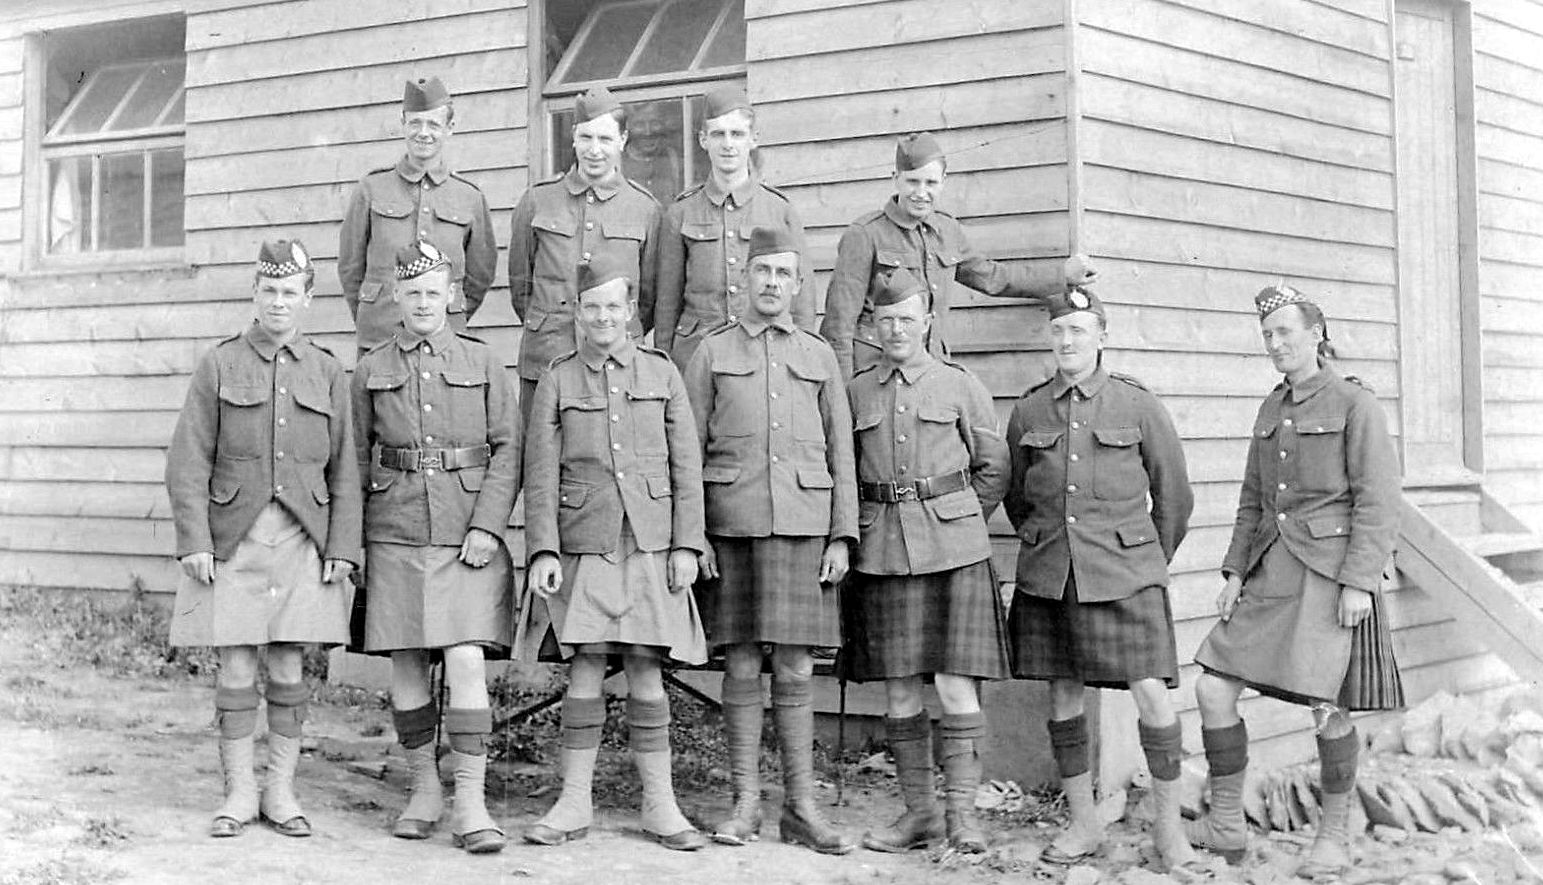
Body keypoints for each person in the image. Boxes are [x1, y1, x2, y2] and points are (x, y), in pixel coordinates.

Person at [1188, 285, 1403, 878]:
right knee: (1212, 690)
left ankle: (1332, 836)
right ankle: (1226, 823)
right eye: (1268, 335)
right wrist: (1233, 570)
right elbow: (1252, 501)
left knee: (1326, 705)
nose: (1276, 344)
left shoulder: (1355, 404)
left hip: (1330, 577)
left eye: (1286, 332)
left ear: (1316, 333)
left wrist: (1360, 581)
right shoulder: (1270, 407)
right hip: (1269, 572)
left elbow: (1379, 500)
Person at [166, 239, 360, 839]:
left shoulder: (327, 370)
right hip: (234, 539)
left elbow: (345, 470)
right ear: (255, 293)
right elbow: (188, 460)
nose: (279, 303)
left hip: (301, 538)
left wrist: (341, 549)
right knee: (235, 661)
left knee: (287, 661)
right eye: (269, 290)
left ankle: (280, 789)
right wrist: (196, 538)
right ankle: (240, 790)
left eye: (290, 292)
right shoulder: (220, 364)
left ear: (308, 298)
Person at [1003, 289, 1198, 872]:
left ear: (1101, 337)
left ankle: (1169, 834)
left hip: (1125, 575)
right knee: (1062, 692)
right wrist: (1049, 548)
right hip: (1052, 576)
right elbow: (1018, 499)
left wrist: (1140, 559)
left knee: (1151, 694)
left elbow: (1174, 498)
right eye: (1059, 330)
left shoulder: (1137, 404)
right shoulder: (1030, 410)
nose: (1068, 341)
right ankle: (1084, 823)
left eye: (1079, 330)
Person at [519, 255, 709, 852]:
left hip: (650, 542)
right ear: (577, 312)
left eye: (614, 307)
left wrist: (686, 543)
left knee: (648, 667)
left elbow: (687, 466)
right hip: (585, 540)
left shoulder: (663, 372)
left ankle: (661, 805)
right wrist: (543, 548)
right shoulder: (558, 378)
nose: (603, 317)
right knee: (585, 666)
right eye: (591, 306)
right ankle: (574, 801)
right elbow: (541, 474)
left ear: (631, 313)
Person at [683, 225, 858, 855]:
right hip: (731, 524)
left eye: (784, 274)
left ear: (797, 283)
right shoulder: (710, 351)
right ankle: (744, 801)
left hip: (804, 526)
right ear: (744, 278)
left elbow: (843, 449)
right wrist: (693, 533)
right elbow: (688, 449)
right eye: (762, 273)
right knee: (739, 660)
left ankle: (802, 808)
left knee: (795, 663)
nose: (772, 284)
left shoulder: (818, 355)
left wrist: (842, 535)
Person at [351, 239, 521, 854]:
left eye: (434, 291)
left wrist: (487, 526)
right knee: (406, 661)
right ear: (397, 296)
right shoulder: (371, 368)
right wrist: (355, 545)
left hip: (466, 532)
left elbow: (509, 449)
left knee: (467, 657)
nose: (424, 302)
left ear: (453, 296)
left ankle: (471, 799)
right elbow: (351, 460)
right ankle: (424, 787)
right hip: (394, 528)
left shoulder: (484, 362)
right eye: (412, 291)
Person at [843, 268, 1011, 855]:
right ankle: (920, 814)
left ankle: (963, 817)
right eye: (885, 320)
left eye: (907, 319)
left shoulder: (961, 385)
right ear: (873, 325)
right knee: (898, 690)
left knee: (955, 682)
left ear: (927, 322)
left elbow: (994, 468)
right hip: (883, 549)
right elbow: (848, 473)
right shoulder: (857, 390)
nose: (896, 330)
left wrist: (958, 521)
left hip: (956, 551)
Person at [820, 131, 1100, 379]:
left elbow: (993, 278)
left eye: (930, 183)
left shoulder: (947, 231)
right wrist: (841, 399)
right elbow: (838, 326)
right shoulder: (866, 234)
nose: (921, 193)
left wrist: (1061, 276)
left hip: (931, 369)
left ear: (943, 181)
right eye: (912, 182)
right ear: (896, 179)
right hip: (875, 371)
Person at [510, 85, 661, 422]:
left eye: (605, 140)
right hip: (547, 359)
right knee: (540, 458)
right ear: (573, 139)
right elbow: (521, 286)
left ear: (622, 140)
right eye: (587, 138)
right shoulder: (537, 201)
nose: (595, 150)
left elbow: (648, 300)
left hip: (618, 360)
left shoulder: (645, 209)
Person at [653, 85, 813, 368]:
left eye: (737, 134)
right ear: (703, 140)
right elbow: (667, 308)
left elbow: (802, 306)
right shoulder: (680, 213)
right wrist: (666, 367)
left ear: (753, 140)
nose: (728, 144)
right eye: (718, 134)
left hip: (763, 355)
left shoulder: (780, 211)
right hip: (695, 356)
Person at [339, 76, 498, 354]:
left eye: (433, 124)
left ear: (449, 128)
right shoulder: (371, 189)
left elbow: (480, 275)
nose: (424, 133)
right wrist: (373, 311)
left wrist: (445, 312)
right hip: (381, 334)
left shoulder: (469, 197)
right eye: (415, 123)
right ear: (403, 124)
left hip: (446, 339)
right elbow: (351, 268)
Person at [621, 100, 684, 207]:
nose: (648, 131)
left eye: (655, 123)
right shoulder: (617, 163)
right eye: (639, 125)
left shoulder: (675, 161)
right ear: (628, 127)